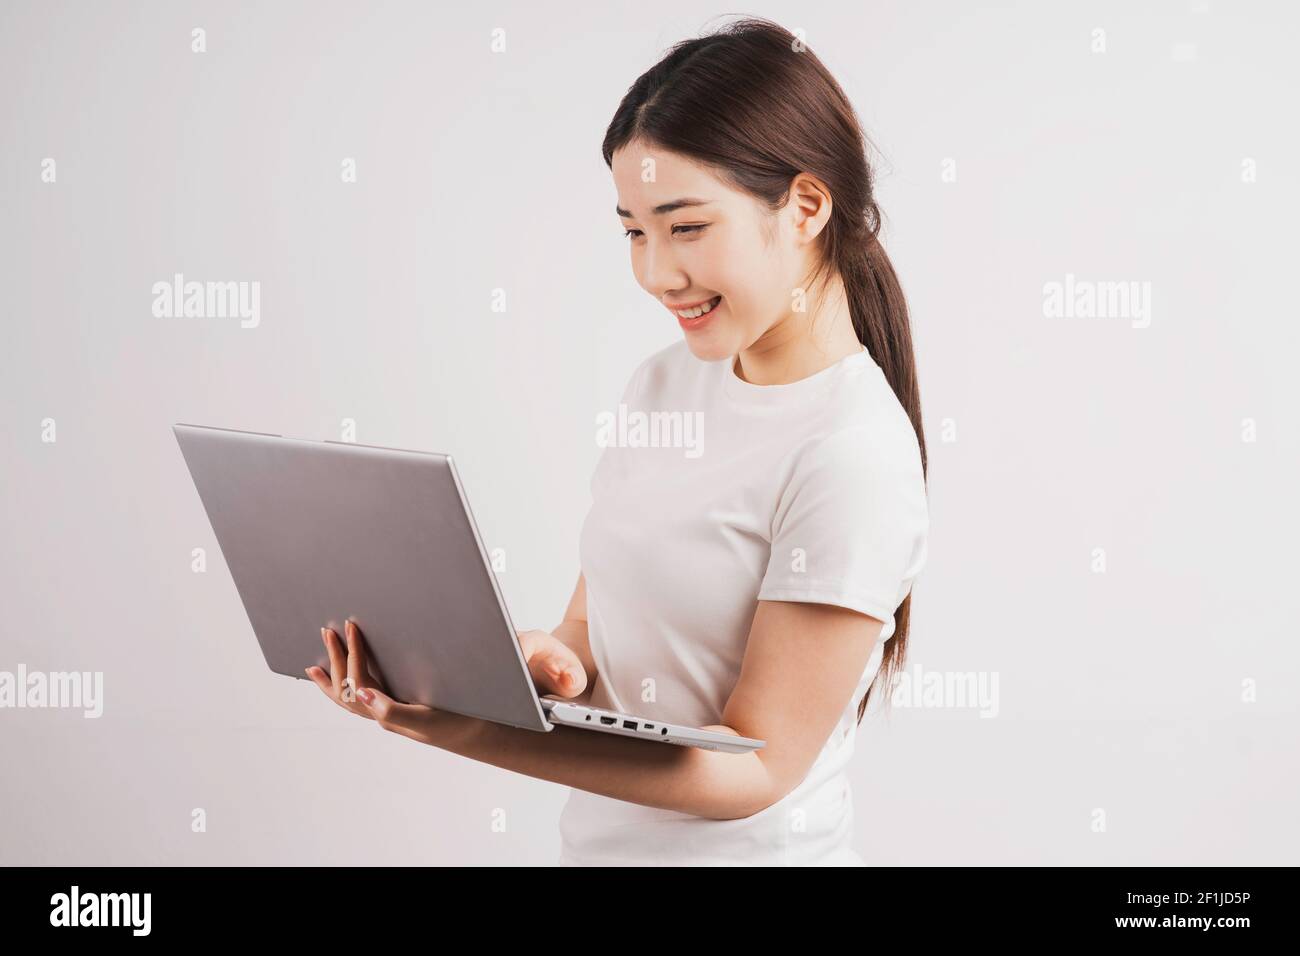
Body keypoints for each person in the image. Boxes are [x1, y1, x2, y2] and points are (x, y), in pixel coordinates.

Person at [307, 16, 929, 866]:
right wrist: (531, 667)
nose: (655, 273)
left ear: (806, 207)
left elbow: (755, 770)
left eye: (687, 227)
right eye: (635, 230)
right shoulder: (665, 385)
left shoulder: (852, 453)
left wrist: (464, 731)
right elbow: (590, 637)